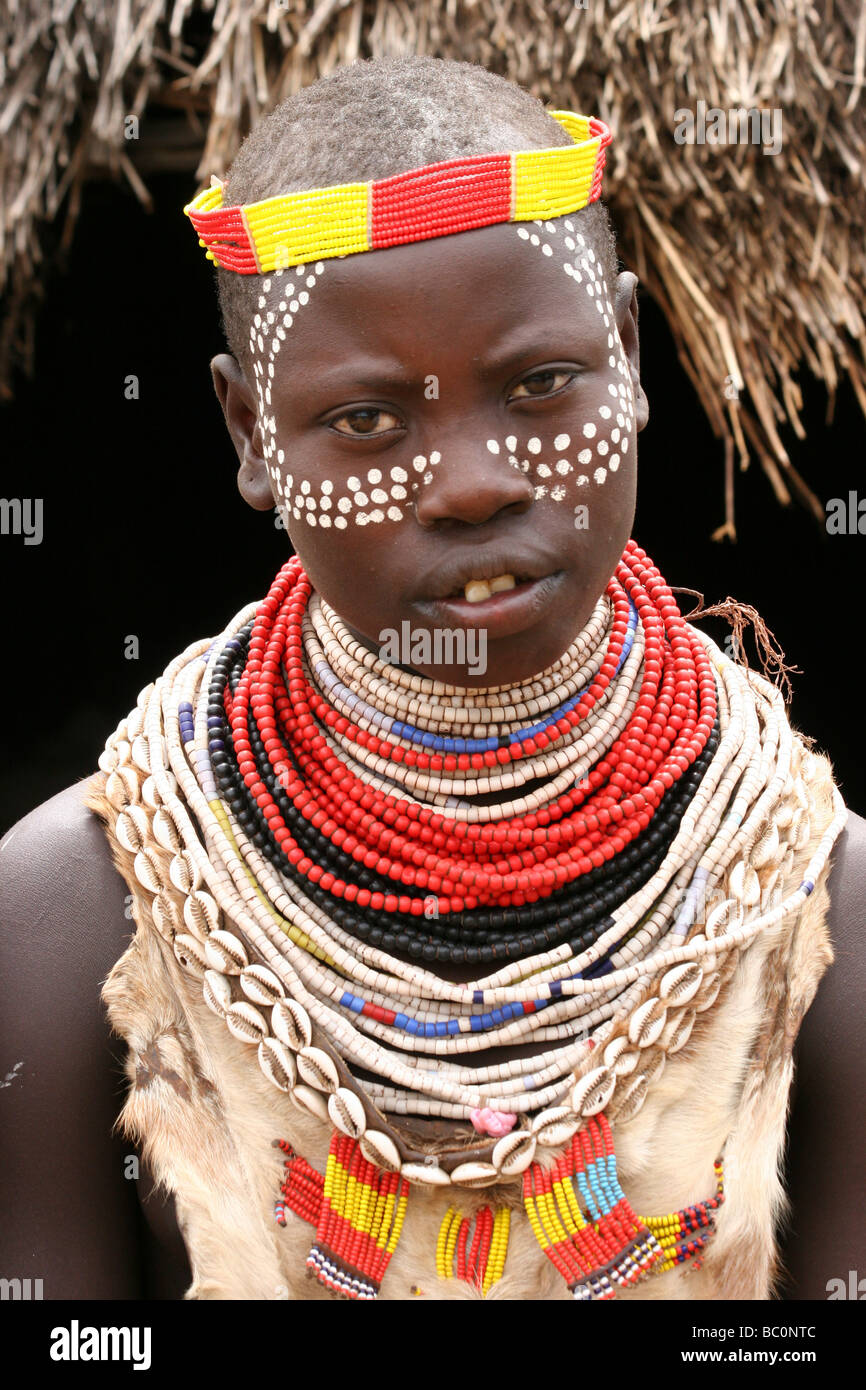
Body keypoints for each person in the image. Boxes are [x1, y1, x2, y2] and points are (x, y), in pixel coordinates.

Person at [1, 54, 864, 1302]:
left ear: (624, 354)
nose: (468, 481)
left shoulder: (804, 900)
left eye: (537, 384)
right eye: (366, 420)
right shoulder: (72, 913)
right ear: (251, 435)